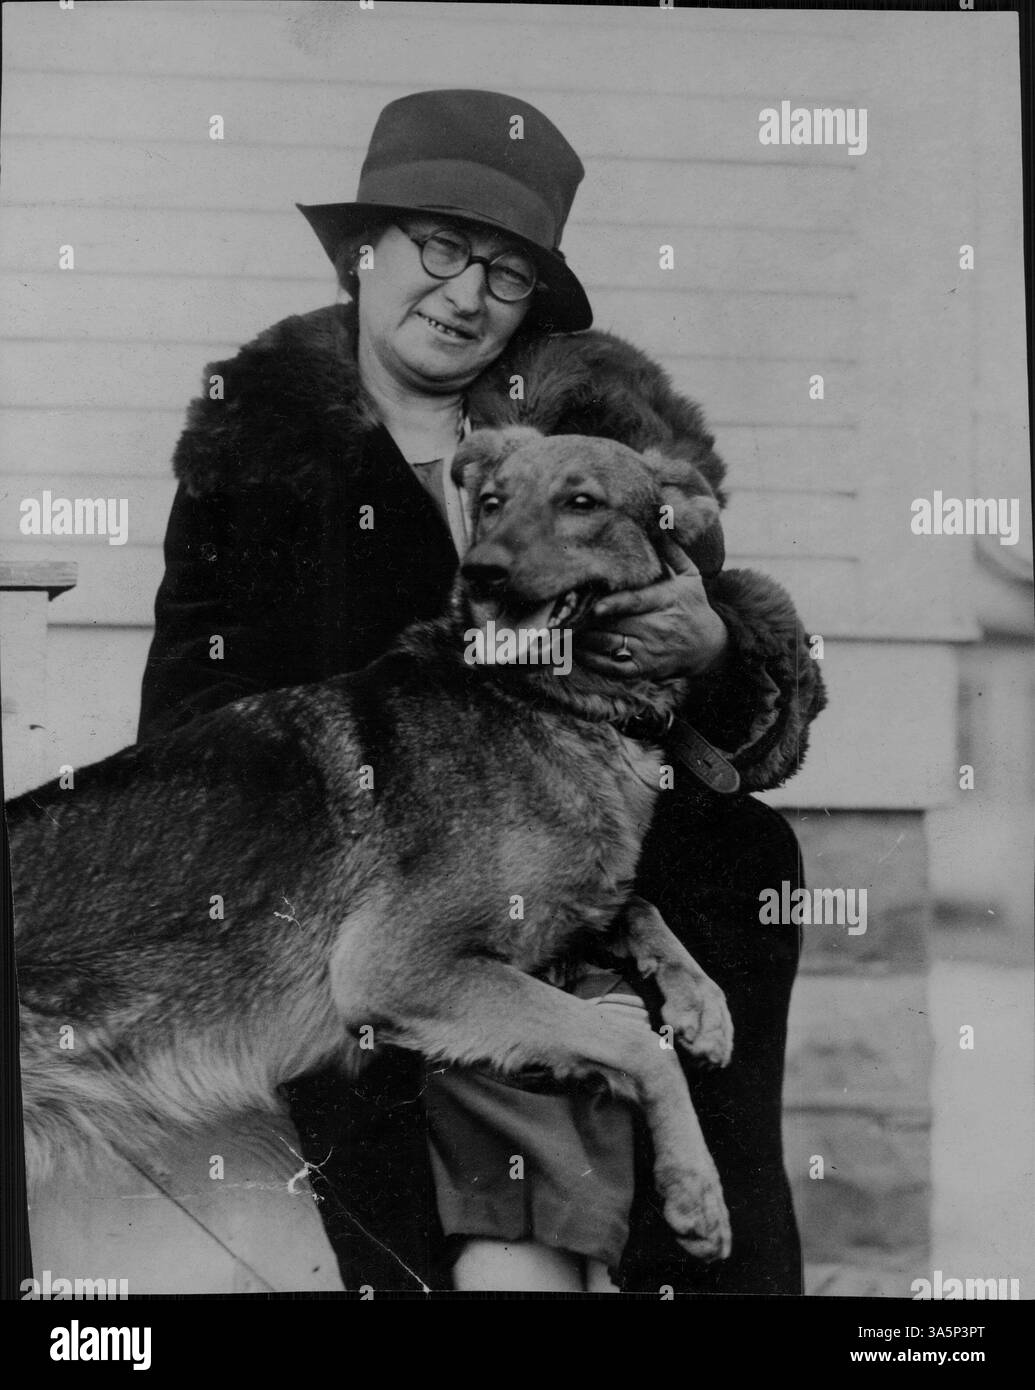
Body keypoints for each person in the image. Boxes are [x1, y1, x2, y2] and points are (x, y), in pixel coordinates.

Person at [137, 89, 825, 1294]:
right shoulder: (259, 455)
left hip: (623, 860)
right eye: (439, 249)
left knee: (745, 859)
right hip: (390, 881)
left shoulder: (590, 428)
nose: (464, 297)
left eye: (504, 275)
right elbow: (193, 726)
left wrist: (711, 647)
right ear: (366, 252)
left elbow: (743, 697)